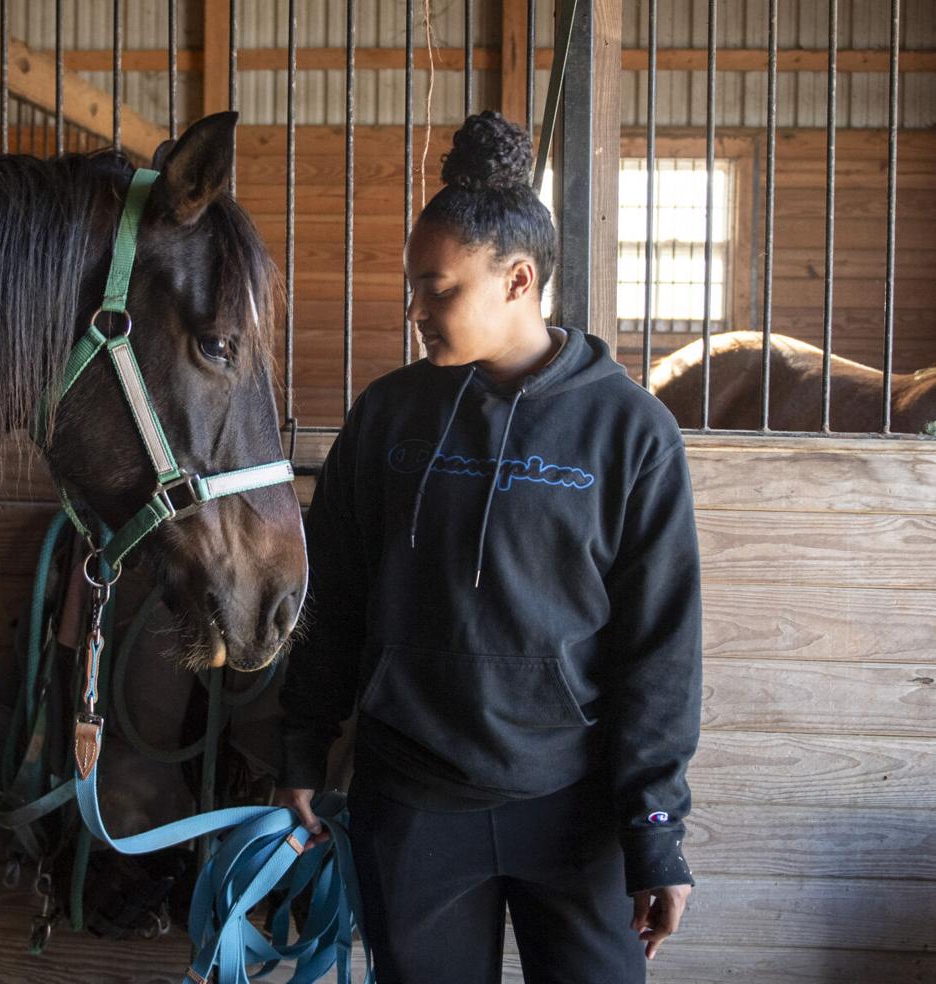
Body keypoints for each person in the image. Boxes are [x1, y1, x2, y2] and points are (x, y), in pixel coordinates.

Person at [275, 111, 702, 983]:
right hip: (413, 801)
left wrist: (654, 829)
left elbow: (660, 648)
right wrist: (297, 750)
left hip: (575, 807)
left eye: (439, 289)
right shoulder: (388, 417)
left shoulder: (631, 433)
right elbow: (335, 596)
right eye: (413, 288)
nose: (415, 310)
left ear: (518, 280)